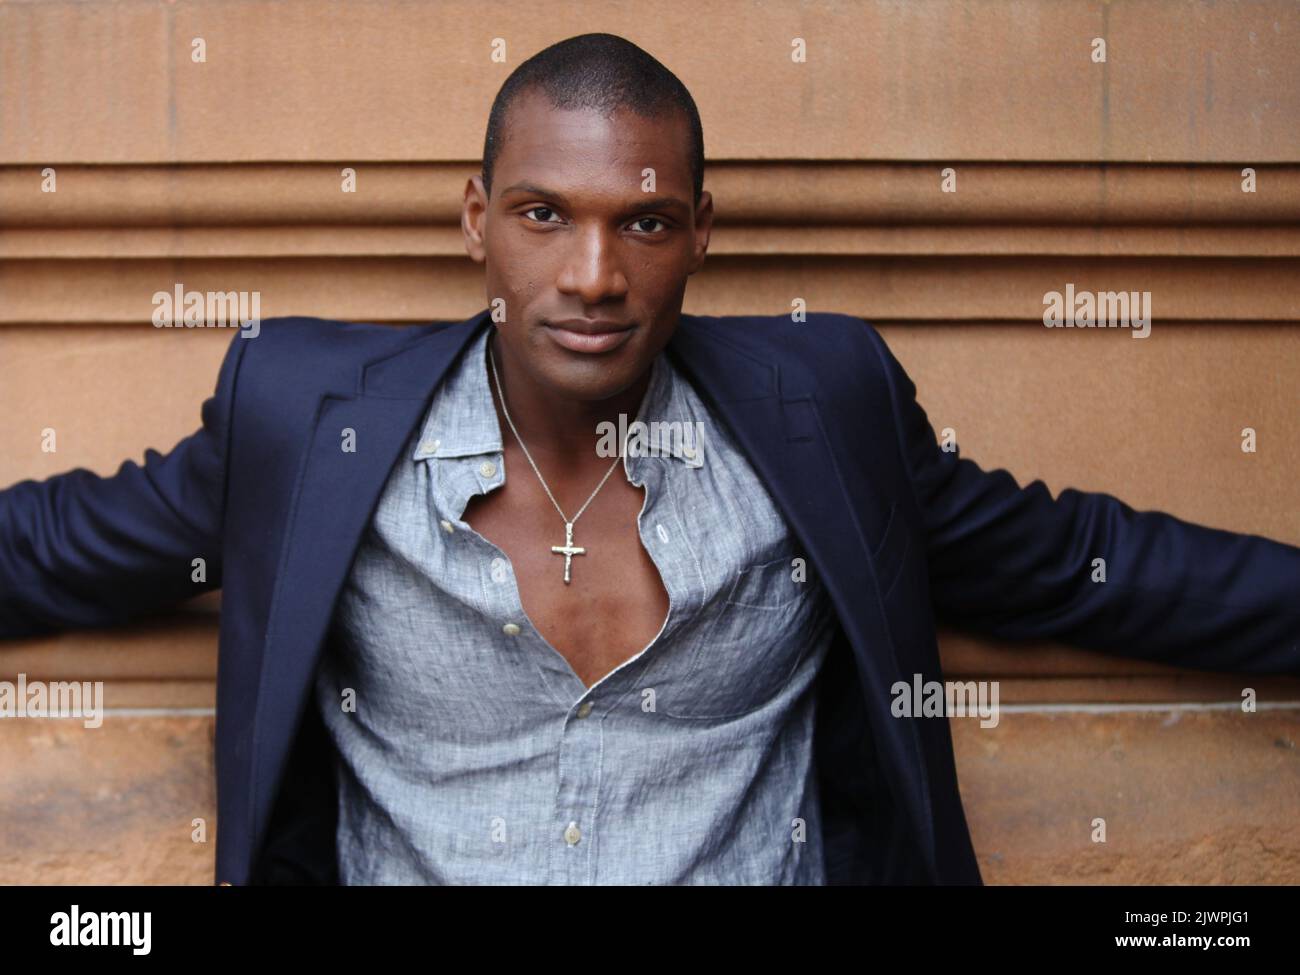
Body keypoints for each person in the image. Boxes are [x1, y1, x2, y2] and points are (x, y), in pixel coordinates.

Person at [2, 32, 1297, 885]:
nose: (594, 274)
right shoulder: (305, 421)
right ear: (477, 221)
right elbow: (58, 552)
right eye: (545, 214)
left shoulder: (823, 414)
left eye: (647, 222)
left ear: (700, 233)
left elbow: (1081, 562)